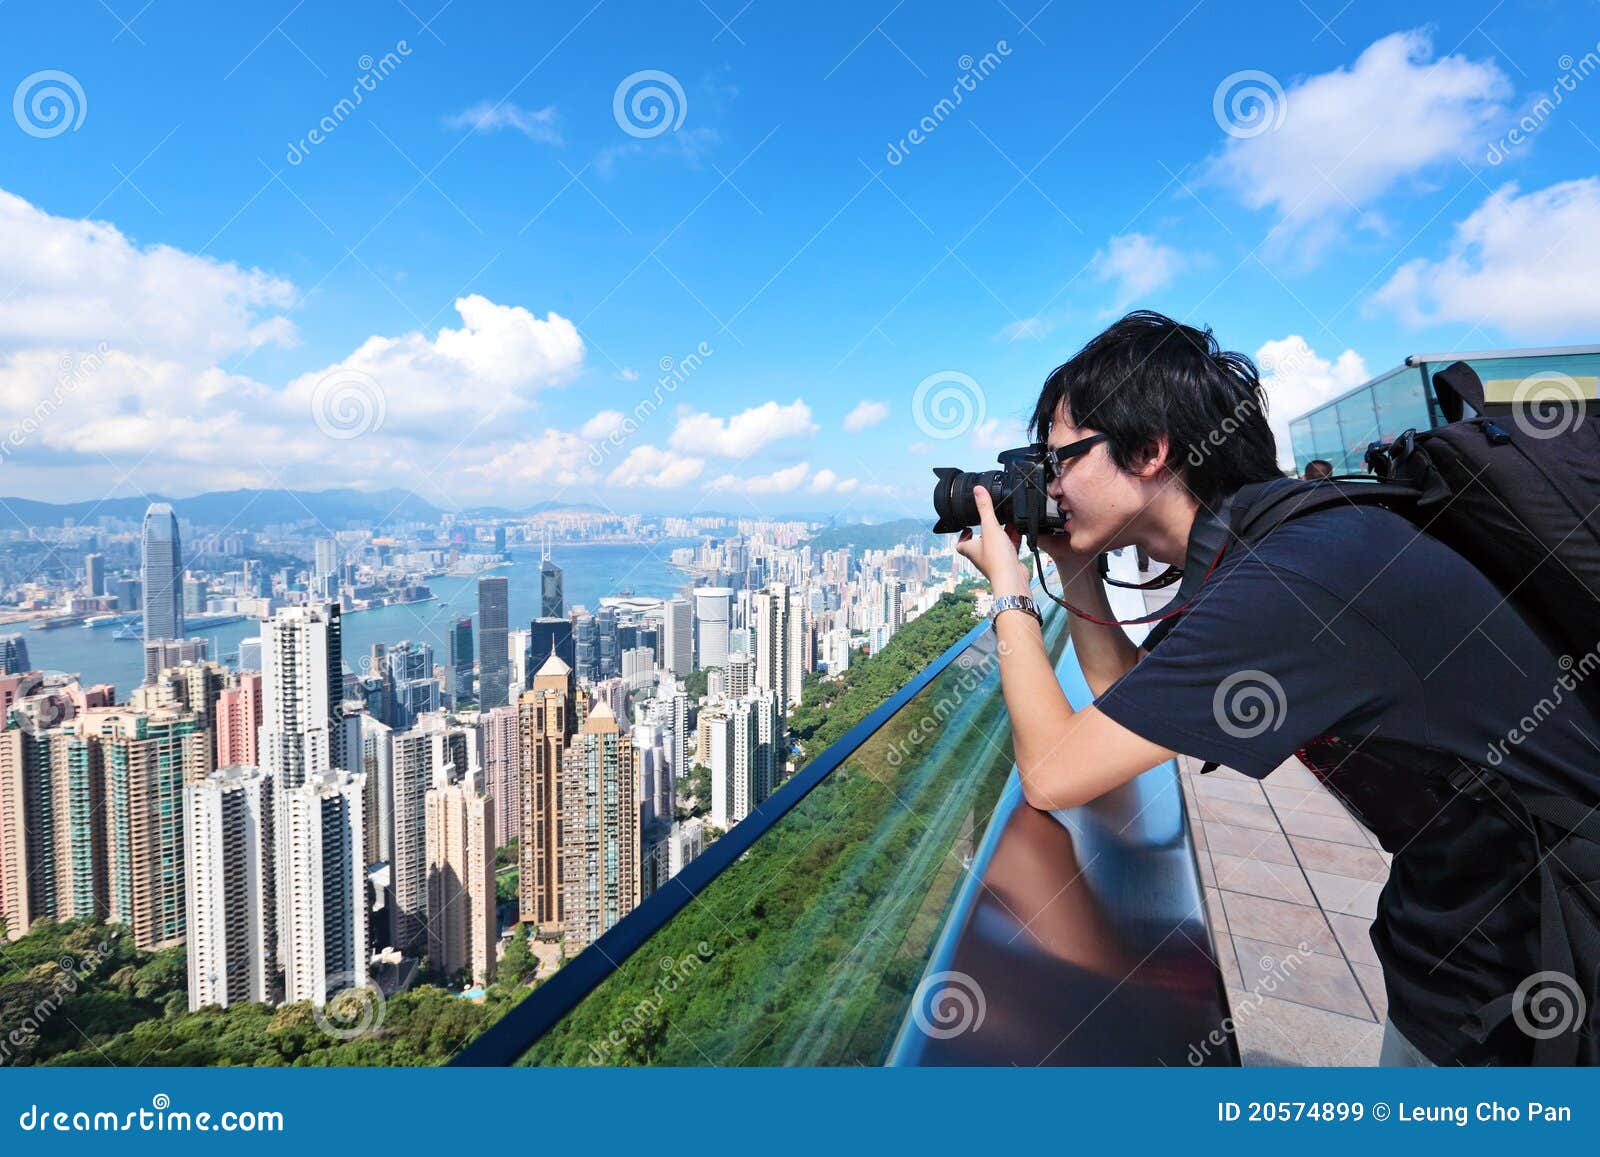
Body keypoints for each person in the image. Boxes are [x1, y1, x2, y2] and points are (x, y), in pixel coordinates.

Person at [954, 310, 1600, 1066]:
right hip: (1470, 922)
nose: (1051, 485)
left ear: (1150, 450)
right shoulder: (1279, 541)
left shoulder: (1286, 582)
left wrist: (1009, 591)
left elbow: (1053, 771)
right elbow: (1128, 698)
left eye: (1059, 459)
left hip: (1538, 957)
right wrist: (1071, 566)